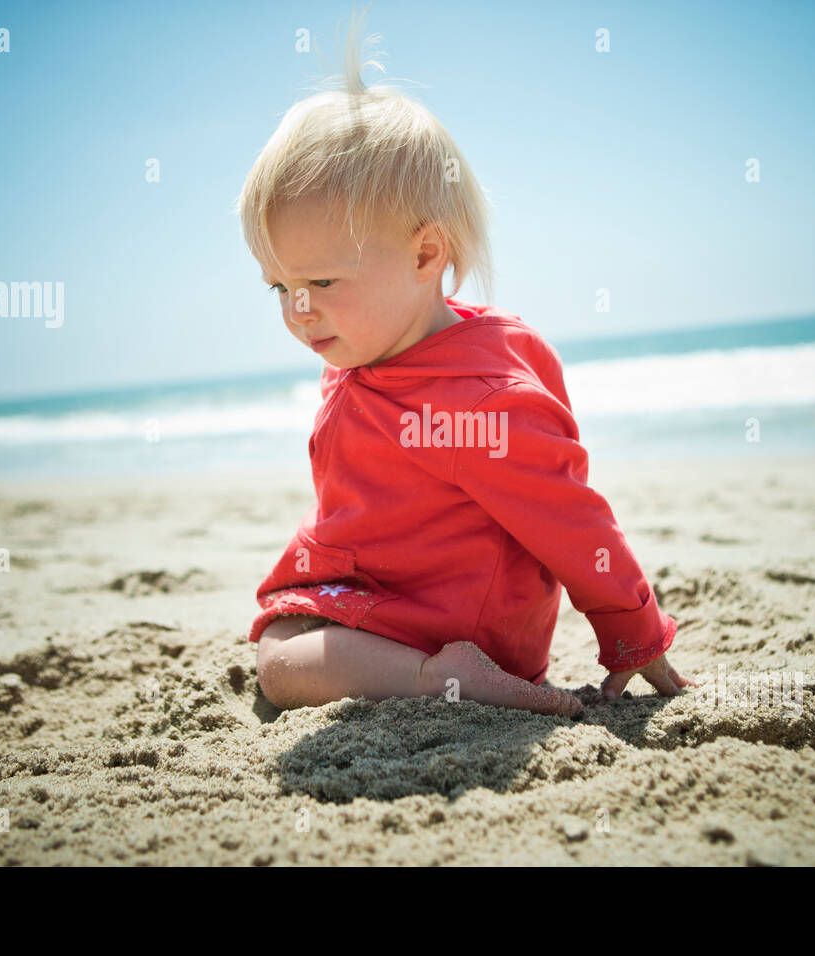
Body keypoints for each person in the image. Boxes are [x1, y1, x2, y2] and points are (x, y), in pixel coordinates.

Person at [235, 18, 695, 718]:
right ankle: (425, 670)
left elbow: (570, 519)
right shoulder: (370, 342)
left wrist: (633, 629)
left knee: (280, 669)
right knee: (281, 638)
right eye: (279, 287)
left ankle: (438, 678)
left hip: (452, 625)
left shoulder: (480, 402)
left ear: (425, 256)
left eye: (322, 283)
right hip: (387, 590)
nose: (298, 310)